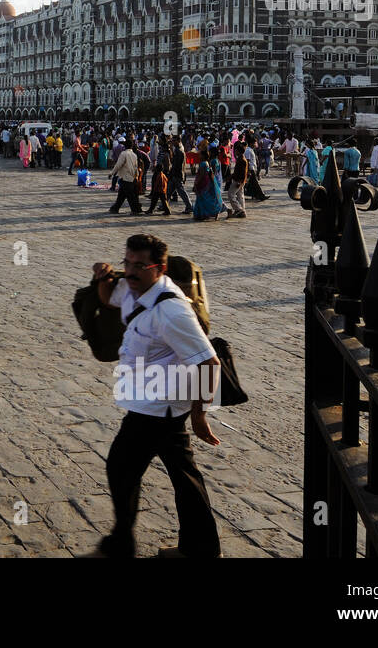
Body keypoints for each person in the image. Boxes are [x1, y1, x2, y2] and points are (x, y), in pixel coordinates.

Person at [91, 234, 221, 558]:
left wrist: (200, 414)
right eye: (128, 263)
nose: (131, 272)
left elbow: (209, 362)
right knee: (182, 475)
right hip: (151, 402)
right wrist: (103, 278)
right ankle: (201, 549)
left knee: (121, 469)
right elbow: (110, 300)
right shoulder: (135, 290)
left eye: (140, 266)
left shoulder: (172, 311)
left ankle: (120, 545)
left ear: (159, 268)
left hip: (157, 407)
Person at [107, 139, 142, 215]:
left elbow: (118, 165)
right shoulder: (134, 155)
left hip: (125, 177)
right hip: (132, 177)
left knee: (129, 196)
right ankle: (115, 208)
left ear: (125, 146)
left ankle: (135, 210)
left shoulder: (124, 154)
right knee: (122, 195)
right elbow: (136, 167)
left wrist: (111, 173)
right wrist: (137, 176)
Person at [192, 147, 222, 222]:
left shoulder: (204, 163)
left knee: (202, 198)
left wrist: (196, 183)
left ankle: (203, 214)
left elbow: (202, 175)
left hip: (203, 182)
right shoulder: (208, 162)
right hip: (207, 182)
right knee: (203, 197)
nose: (199, 156)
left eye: (200, 155)